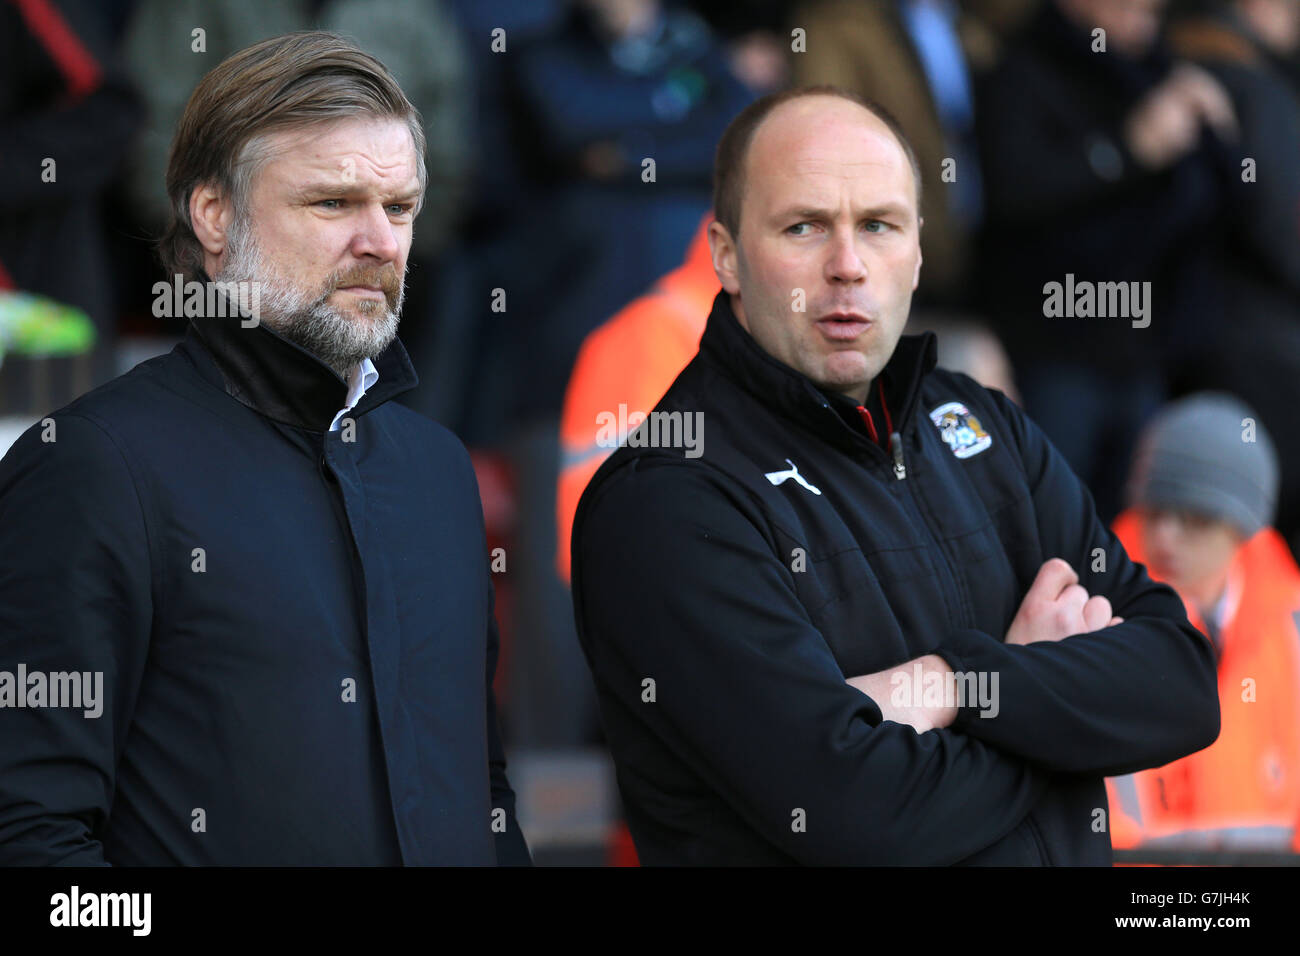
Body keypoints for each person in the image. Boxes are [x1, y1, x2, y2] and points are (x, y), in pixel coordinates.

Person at [570, 85, 1220, 865]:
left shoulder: (986, 426)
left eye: (878, 226)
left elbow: (1181, 683)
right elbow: (855, 813)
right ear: (726, 256)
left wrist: (950, 682)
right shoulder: (667, 502)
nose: (847, 267)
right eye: (804, 226)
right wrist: (1051, 704)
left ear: (916, 252)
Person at [0, 32, 530, 866]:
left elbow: (485, 796)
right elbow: (30, 837)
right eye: (332, 204)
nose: (381, 243)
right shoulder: (92, 466)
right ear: (215, 217)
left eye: (399, 208)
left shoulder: (437, 469)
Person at [1107, 394, 1300, 852]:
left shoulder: (1290, 626)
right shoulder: (1095, 621)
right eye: (1153, 511)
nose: (1164, 536)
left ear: (1243, 529)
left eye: (1194, 519)